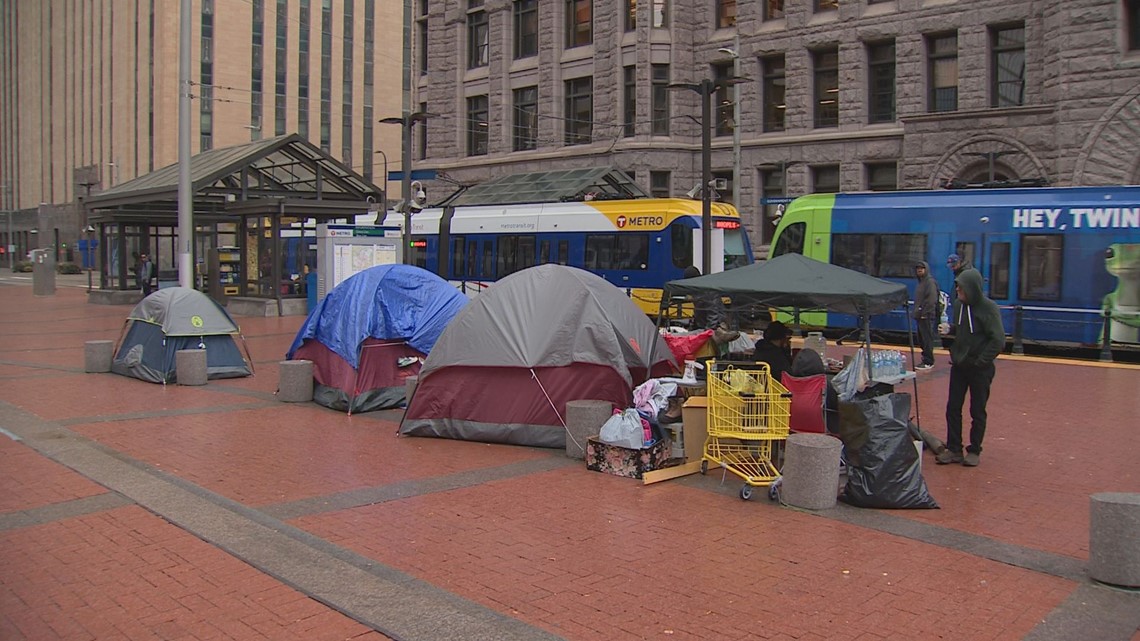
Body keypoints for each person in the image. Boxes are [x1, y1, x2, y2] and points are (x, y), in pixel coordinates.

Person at [936, 268, 1005, 467]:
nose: (957, 290)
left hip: (979, 368)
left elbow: (998, 340)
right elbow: (963, 328)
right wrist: (950, 329)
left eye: (961, 287)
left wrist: (981, 361)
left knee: (977, 409)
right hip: (960, 364)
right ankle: (954, 448)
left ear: (972, 289)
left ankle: (974, 449)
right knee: (953, 407)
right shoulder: (958, 305)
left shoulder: (989, 308)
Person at [913, 261, 939, 370]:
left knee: (927, 338)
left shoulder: (929, 282)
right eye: (918, 268)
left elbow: (932, 299)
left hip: (926, 316)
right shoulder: (922, 282)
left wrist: (925, 313)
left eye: (922, 268)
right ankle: (925, 359)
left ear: (926, 269)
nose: (919, 270)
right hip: (921, 316)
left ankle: (928, 361)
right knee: (922, 338)